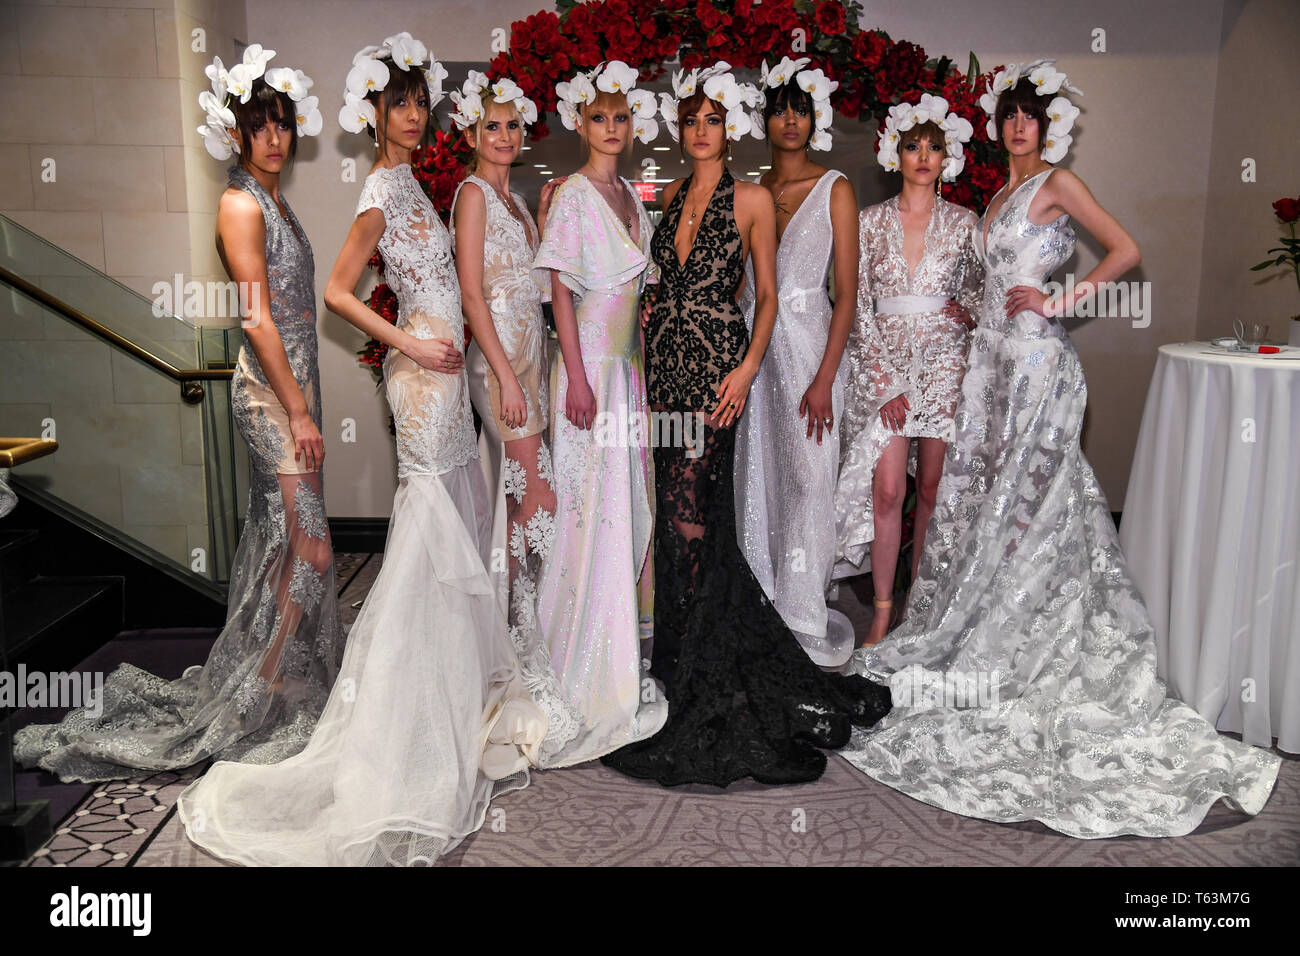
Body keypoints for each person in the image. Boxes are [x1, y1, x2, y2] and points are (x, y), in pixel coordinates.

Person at [839, 62, 1280, 837]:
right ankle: (995, 626)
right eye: (1009, 116)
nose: (1019, 127)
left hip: (1039, 364)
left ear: (1048, 128)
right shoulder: (1001, 196)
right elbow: (988, 278)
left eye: (1031, 117)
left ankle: (1033, 641)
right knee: (1002, 510)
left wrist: (1063, 300)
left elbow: (1125, 250)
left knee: (1037, 504)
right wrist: (968, 313)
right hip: (993, 368)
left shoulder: (1055, 184)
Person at [177, 38, 549, 866]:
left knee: (458, 518)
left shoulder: (419, 183)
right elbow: (341, 293)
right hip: (422, 382)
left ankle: (440, 692)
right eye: (401, 103)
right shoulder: (382, 187)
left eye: (422, 102)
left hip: (450, 379)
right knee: (424, 528)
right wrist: (405, 349)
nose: (414, 114)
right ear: (374, 115)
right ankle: (374, 706)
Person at [14, 47, 344, 782]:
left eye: (283, 124)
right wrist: (297, 411)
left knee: (291, 547)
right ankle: (260, 690)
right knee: (314, 549)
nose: (274, 138)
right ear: (235, 132)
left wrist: (309, 402)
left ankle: (268, 681)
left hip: (298, 391)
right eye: (260, 125)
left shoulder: (277, 198)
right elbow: (258, 318)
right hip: (270, 396)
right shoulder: (239, 202)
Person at [601, 63, 891, 788]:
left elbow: (764, 297)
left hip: (716, 371)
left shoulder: (754, 198)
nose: (701, 131)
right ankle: (679, 659)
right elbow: (655, 282)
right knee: (675, 518)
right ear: (682, 129)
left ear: (730, 128)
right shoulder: (668, 194)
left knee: (696, 515)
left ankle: (707, 668)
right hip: (665, 368)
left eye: (713, 120)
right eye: (691, 120)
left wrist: (746, 368)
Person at [527, 62, 669, 763]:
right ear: (579, 124)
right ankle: (577, 662)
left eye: (621, 117)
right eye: (600, 117)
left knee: (624, 504)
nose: (612, 127)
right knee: (589, 509)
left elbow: (644, 297)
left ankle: (620, 658)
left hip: (628, 375)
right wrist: (576, 378)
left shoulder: (631, 199)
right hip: (589, 370)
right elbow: (558, 291)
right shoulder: (575, 194)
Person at [833, 93, 982, 646]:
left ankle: (919, 613)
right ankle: (880, 609)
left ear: (949, 158)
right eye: (913, 145)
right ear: (895, 153)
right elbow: (854, 304)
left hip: (946, 364)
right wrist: (886, 382)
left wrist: (966, 310)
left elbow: (982, 294)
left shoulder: (967, 224)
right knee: (889, 490)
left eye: (933, 147)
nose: (923, 156)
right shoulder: (869, 222)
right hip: (886, 365)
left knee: (933, 490)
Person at [734, 58, 859, 667]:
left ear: (814, 117)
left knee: (811, 481)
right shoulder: (753, 190)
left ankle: (804, 615)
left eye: (800, 108)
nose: (790, 118)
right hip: (756, 357)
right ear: (765, 118)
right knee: (760, 477)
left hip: (811, 351)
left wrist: (826, 377)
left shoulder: (836, 187)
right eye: (780, 107)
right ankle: (761, 604)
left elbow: (848, 295)